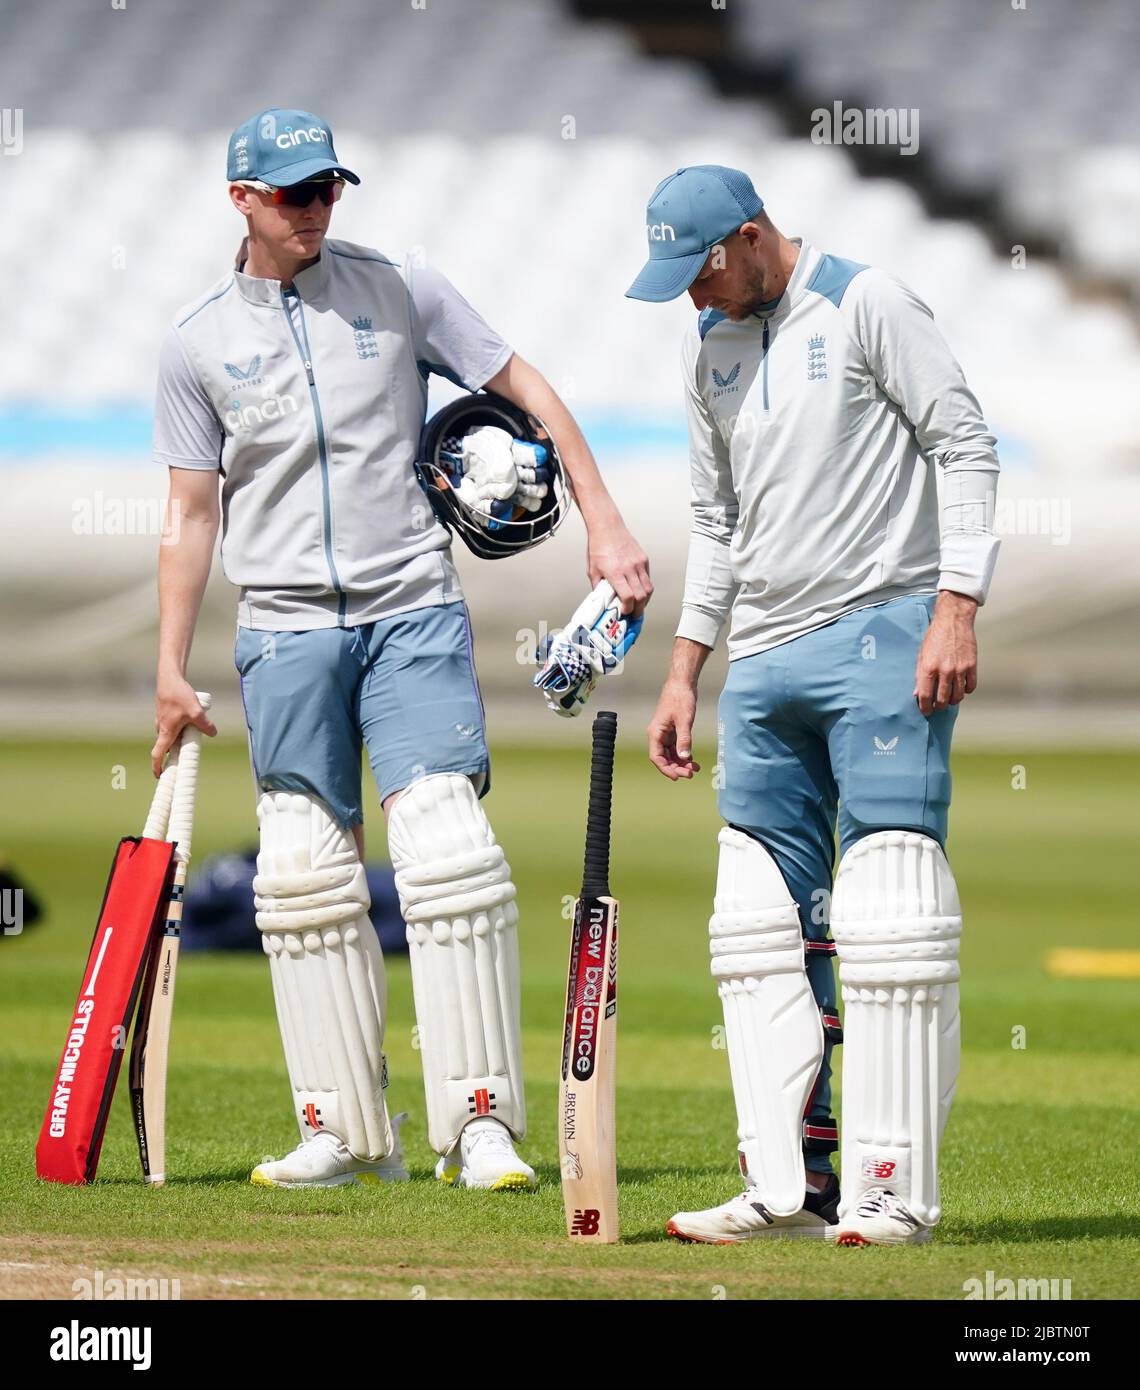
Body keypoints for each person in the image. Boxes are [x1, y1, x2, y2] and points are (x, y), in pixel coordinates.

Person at [150, 107, 651, 1191]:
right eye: (295, 194)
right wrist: (168, 668)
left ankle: (480, 1125)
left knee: (447, 848)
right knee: (300, 875)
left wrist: (603, 522)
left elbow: (530, 390)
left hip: (411, 605)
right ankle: (341, 1132)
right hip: (282, 627)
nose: (318, 210)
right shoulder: (194, 341)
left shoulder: (402, 284)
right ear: (241, 199)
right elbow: (192, 516)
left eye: (330, 188)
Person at [627, 165, 999, 1245]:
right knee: (755, 926)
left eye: (699, 276)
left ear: (751, 237)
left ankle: (893, 1193)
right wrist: (688, 668)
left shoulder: (870, 300)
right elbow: (717, 519)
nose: (692, 302)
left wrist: (957, 606)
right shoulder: (713, 351)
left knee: (888, 917)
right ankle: (787, 1187)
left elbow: (964, 445)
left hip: (886, 632)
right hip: (763, 664)